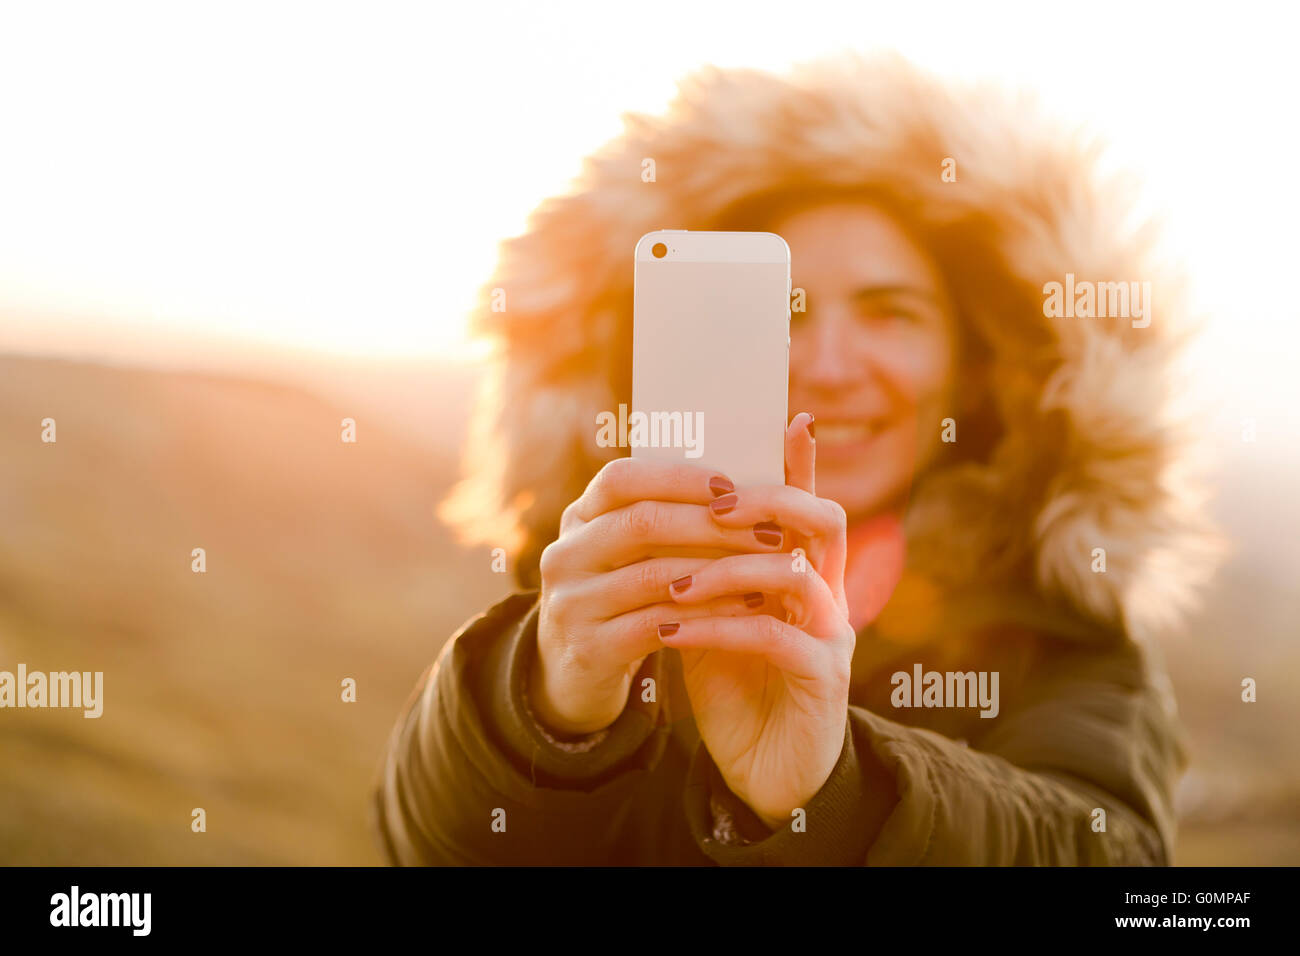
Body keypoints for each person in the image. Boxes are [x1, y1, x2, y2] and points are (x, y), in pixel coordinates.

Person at [372, 55, 1217, 865]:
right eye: (782, 312)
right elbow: (425, 846)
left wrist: (838, 794)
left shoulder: (1063, 646)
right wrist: (546, 711)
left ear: (968, 373)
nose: (833, 366)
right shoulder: (594, 594)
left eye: (892, 314)